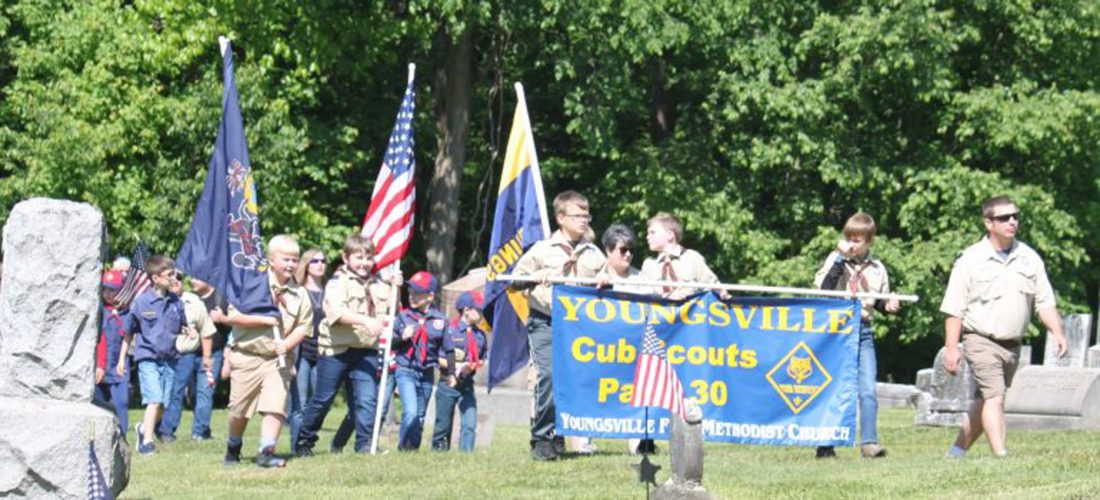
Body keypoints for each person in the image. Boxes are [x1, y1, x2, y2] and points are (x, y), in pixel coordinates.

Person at [941, 196, 1067, 458]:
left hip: (1012, 344)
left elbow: (1044, 301)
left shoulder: (1029, 258)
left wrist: (1056, 332)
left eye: (1015, 216)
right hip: (980, 339)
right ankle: (1002, 456)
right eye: (1004, 218)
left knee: (986, 401)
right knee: (995, 398)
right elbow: (954, 308)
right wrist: (951, 348)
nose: (1012, 221)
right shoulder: (970, 259)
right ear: (988, 223)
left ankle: (956, 452)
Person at [511, 190, 606, 460]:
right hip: (546, 322)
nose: (585, 220)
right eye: (578, 215)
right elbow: (513, 280)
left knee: (571, 382)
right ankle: (541, 437)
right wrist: (533, 278)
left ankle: (559, 435)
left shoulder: (593, 254)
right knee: (549, 377)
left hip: (580, 327)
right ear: (561, 217)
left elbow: (609, 280)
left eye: (587, 215)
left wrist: (605, 282)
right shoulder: (542, 250)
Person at [296, 235, 395, 456]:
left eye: (368, 258)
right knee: (323, 399)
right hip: (336, 350)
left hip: (365, 349)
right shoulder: (337, 283)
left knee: (366, 399)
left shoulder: (379, 284)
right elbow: (337, 313)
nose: (364, 262)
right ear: (345, 257)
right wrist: (365, 321)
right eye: (358, 257)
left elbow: (388, 310)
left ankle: (364, 445)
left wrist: (394, 287)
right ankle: (304, 441)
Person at [220, 235, 313, 468]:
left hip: (278, 359)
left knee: (275, 406)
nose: (291, 264)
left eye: (295, 260)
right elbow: (233, 317)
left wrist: (288, 344)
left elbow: (304, 326)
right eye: (286, 259)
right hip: (247, 355)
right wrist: (265, 320)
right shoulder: (251, 285)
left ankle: (266, 451)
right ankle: (234, 445)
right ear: (271, 260)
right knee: (238, 411)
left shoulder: (300, 294)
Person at [812, 212, 900, 459]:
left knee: (868, 389)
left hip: (863, 331)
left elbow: (879, 302)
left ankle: (869, 443)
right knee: (834, 388)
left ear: (870, 241)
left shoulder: (878, 269)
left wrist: (889, 307)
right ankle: (826, 444)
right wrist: (841, 259)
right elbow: (824, 289)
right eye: (848, 237)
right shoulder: (835, 259)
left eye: (858, 239)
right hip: (837, 331)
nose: (852, 243)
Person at [117, 255, 185, 456]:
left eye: (174, 274)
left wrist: (187, 331)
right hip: (148, 358)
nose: (174, 278)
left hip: (170, 358)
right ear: (155, 278)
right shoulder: (142, 302)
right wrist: (122, 359)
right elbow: (128, 332)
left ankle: (143, 429)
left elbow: (181, 325)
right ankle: (147, 443)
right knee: (154, 399)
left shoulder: (176, 302)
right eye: (169, 274)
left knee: (163, 404)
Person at [596, 224, 651, 455]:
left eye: (631, 250)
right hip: (600, 349)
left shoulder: (644, 278)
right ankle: (583, 445)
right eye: (622, 249)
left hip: (634, 348)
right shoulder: (594, 276)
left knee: (637, 395)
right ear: (608, 250)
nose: (628, 254)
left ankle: (637, 446)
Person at [158, 273, 218, 443]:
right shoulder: (157, 301)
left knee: (178, 392)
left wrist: (207, 357)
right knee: (163, 393)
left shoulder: (193, 302)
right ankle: (157, 428)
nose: (175, 280)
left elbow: (206, 330)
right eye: (171, 277)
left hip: (185, 354)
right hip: (162, 354)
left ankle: (168, 431)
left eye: (178, 277)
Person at [391, 271, 447, 451]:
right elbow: (391, 343)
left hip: (427, 373)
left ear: (430, 295)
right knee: (411, 412)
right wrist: (402, 337)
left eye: (418, 292)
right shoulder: (404, 316)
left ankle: (412, 449)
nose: (412, 296)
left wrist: (450, 370)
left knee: (421, 415)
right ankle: (403, 448)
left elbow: (445, 349)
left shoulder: (439, 320)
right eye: (410, 291)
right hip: (406, 370)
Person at [431, 291, 488, 452]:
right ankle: (438, 454)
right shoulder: (449, 330)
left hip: (467, 384)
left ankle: (466, 455)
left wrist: (476, 364)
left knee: (470, 423)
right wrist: (455, 368)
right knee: (443, 424)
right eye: (478, 310)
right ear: (466, 310)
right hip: (448, 382)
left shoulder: (480, 334)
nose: (481, 313)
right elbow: (437, 357)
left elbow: (482, 356)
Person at [286, 247, 327, 453]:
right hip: (301, 353)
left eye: (323, 261)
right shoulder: (297, 291)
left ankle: (306, 442)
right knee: (299, 404)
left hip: (323, 354)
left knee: (316, 403)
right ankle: (297, 447)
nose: (320, 264)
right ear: (306, 265)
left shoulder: (330, 292)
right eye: (315, 261)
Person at [639, 212, 725, 300]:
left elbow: (716, 288)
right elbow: (643, 294)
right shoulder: (649, 265)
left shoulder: (692, 258)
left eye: (652, 232)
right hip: (660, 312)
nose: (647, 237)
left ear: (670, 235)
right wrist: (667, 296)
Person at [191, 277, 232, 440]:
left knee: (205, 392)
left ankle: (198, 432)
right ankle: (204, 429)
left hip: (213, 353)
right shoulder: (189, 298)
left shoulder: (221, 297)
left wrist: (223, 319)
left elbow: (238, 324)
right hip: (189, 353)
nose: (192, 281)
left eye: (196, 277)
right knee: (192, 394)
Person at [94, 270, 130, 435]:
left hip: (119, 365)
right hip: (100, 366)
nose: (107, 293)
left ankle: (121, 436)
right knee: (99, 404)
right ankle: (101, 436)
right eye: (105, 289)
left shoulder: (128, 312)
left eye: (112, 290)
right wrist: (99, 365)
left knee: (121, 402)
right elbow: (99, 340)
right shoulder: (99, 311)